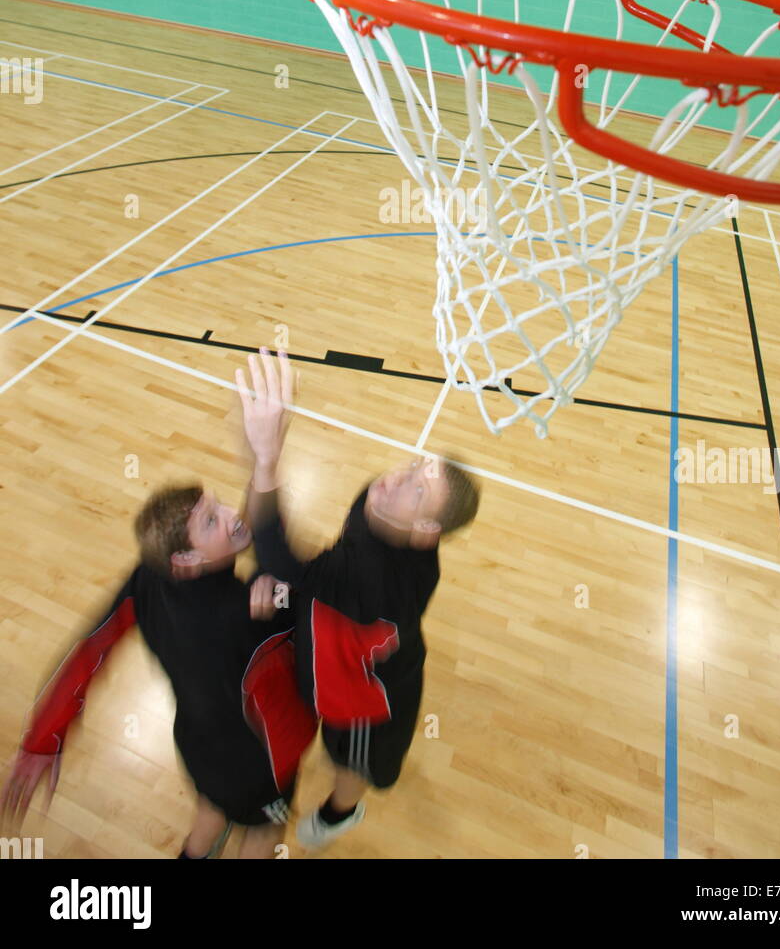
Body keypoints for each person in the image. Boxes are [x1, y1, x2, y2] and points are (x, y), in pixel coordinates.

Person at [236, 347, 480, 851]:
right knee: (330, 747)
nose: (395, 481)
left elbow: (285, 557)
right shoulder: (384, 508)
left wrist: (266, 456)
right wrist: (278, 578)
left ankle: (337, 815)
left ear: (428, 530)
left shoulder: (376, 578)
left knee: (351, 763)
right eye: (413, 469)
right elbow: (307, 568)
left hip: (370, 697)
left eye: (416, 491)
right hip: (341, 655)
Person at [1, 480, 317, 859]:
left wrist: (42, 738)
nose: (233, 515)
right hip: (257, 765)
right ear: (185, 558)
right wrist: (277, 582)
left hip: (198, 748)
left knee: (211, 808)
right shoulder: (247, 616)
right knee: (263, 834)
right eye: (212, 521)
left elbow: (91, 649)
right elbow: (310, 604)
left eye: (218, 506)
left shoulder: (149, 579)